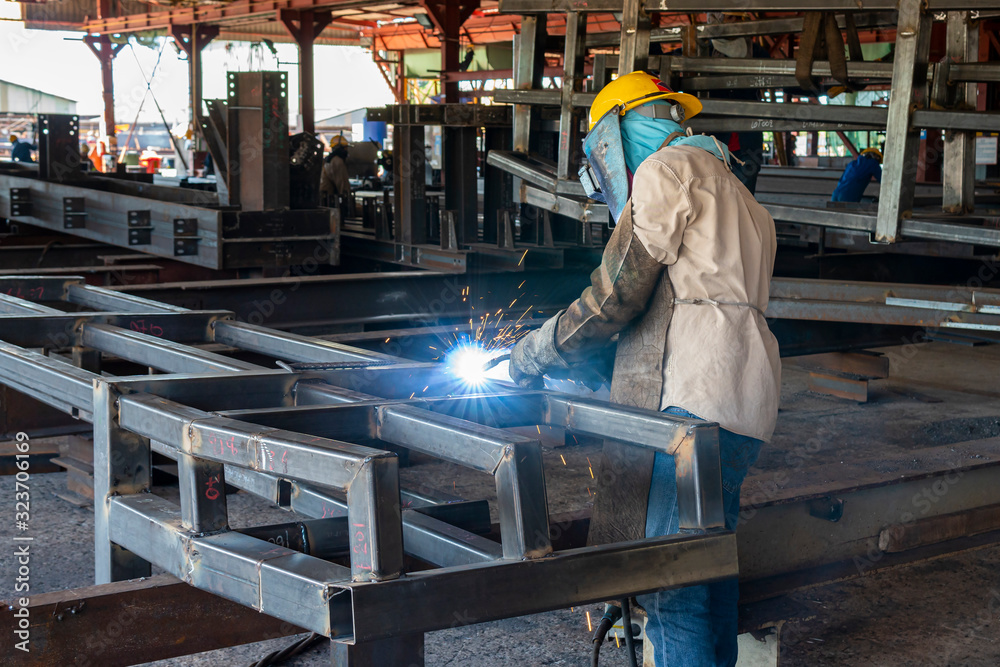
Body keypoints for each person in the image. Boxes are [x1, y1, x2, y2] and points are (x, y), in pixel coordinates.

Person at [509, 71, 781, 667]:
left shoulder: (667, 171)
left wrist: (540, 349)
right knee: (709, 570)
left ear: (617, 131)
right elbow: (685, 297)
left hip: (693, 397)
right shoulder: (739, 192)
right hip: (747, 397)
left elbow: (619, 292)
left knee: (670, 582)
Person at [320, 134, 352, 210]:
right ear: (340, 148)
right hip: (330, 201)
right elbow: (343, 185)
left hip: (324, 199)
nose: (346, 150)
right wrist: (348, 202)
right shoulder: (337, 161)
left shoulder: (329, 159)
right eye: (345, 148)